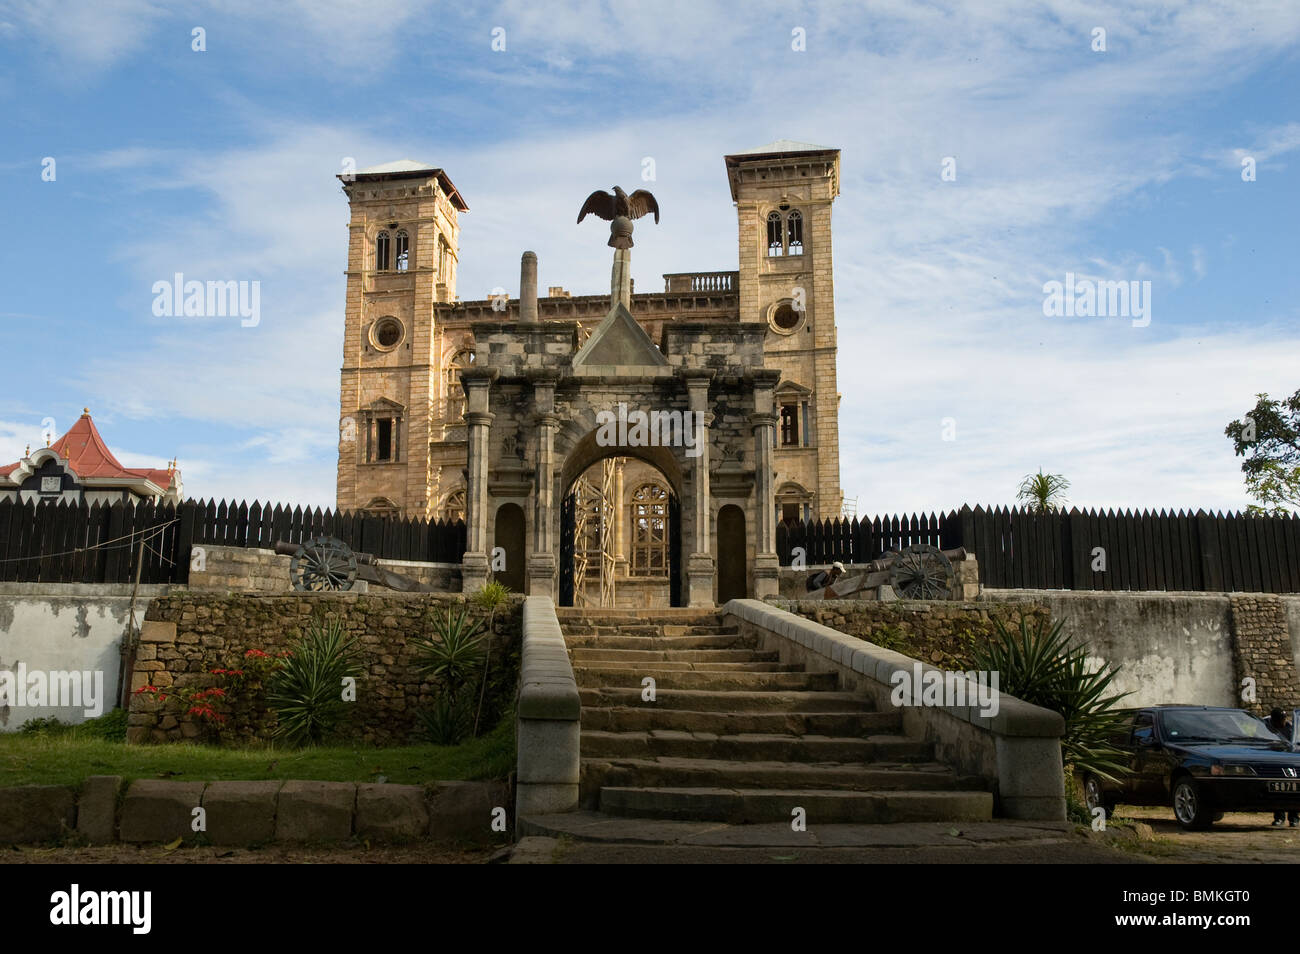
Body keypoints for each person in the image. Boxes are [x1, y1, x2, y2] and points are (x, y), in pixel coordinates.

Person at [1266, 707, 1299, 827]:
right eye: (1280, 719)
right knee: (1277, 792)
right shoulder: (1268, 728)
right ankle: (1279, 817)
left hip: (1290, 762)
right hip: (1275, 762)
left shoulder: (1290, 729)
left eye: (1284, 719)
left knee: (1293, 790)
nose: (1283, 722)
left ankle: (1294, 817)